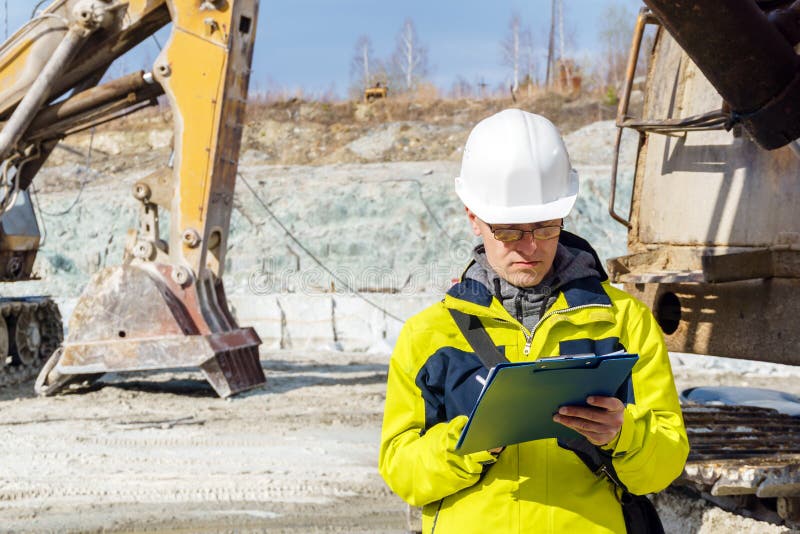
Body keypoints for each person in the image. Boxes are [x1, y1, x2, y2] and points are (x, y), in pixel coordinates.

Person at [378, 109, 688, 533]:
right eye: (508, 231)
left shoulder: (624, 323)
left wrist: (623, 434)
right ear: (474, 218)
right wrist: (468, 442)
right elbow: (402, 473)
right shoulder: (428, 335)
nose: (529, 247)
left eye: (544, 228)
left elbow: (665, 463)